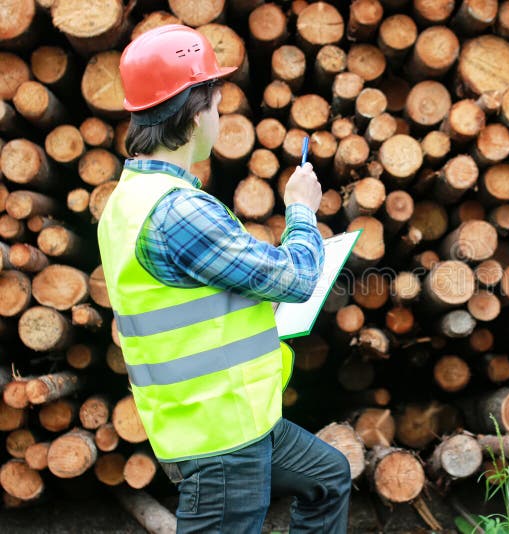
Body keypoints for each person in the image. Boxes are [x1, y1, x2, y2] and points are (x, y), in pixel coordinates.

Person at [97, 24, 351, 533]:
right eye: (214, 105)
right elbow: (298, 277)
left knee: (328, 476)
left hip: (233, 420)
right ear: (193, 113)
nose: (218, 118)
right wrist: (301, 210)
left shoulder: (128, 200)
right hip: (219, 438)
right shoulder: (178, 212)